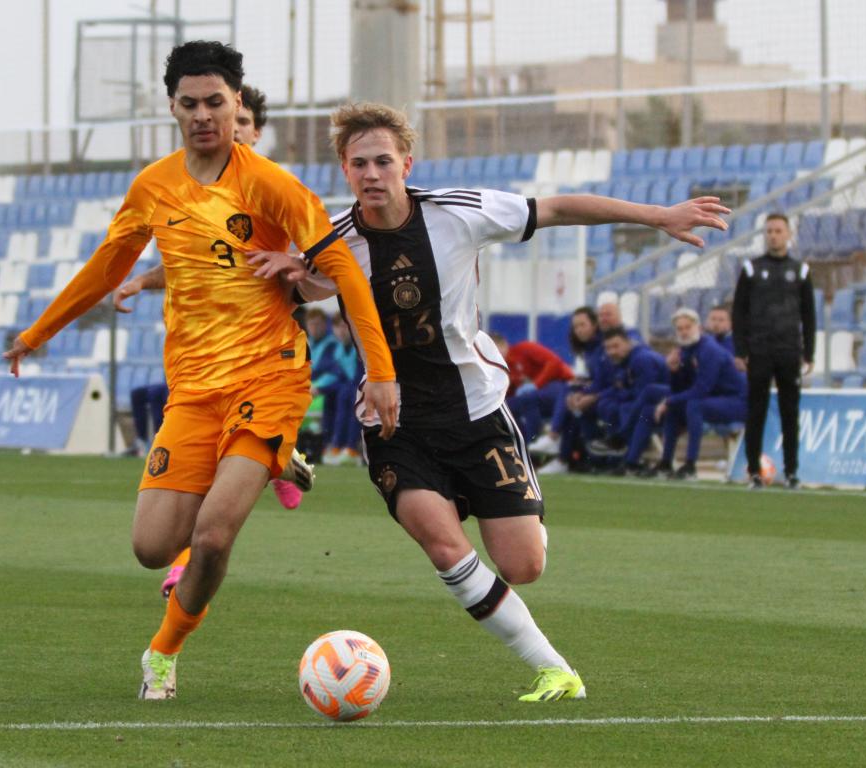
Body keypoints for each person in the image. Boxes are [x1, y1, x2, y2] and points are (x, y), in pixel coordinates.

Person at [261, 102, 727, 701]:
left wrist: (658, 214)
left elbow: (556, 208)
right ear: (345, 171)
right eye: (359, 164)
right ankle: (554, 667)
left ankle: (512, 505)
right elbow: (301, 282)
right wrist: (288, 273)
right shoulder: (333, 240)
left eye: (383, 161)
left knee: (523, 566)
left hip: (478, 411)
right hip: (395, 422)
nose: (372, 173)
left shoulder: (458, 212)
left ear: (407, 163)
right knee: (444, 544)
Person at [3, 42, 398, 701]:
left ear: (237, 104)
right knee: (153, 548)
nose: (203, 115)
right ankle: (276, 463)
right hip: (193, 391)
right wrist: (38, 332)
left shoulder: (271, 185)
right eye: (190, 104)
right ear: (172, 108)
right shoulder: (154, 186)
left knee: (213, 536)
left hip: (269, 377)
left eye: (216, 102)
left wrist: (379, 370)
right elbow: (108, 265)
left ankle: (163, 651)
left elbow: (345, 270)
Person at [114, 82, 315, 597]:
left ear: (253, 129)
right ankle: (279, 459)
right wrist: (141, 279)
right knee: (197, 474)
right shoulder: (190, 185)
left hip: (265, 348)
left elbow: (321, 258)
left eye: (241, 124)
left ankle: (191, 559)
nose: (230, 132)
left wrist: (300, 270)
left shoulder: (268, 188)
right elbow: (194, 256)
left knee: (219, 511)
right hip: (201, 357)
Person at [732, 213, 816, 490]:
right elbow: (739, 313)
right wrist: (740, 349)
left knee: (789, 413)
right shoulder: (751, 269)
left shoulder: (800, 270)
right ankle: (754, 471)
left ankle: (792, 471)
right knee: (756, 411)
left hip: (789, 351)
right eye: (769, 231)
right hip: (759, 351)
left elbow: (809, 314)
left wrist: (809, 353)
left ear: (789, 234)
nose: (773, 235)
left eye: (778, 230)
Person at [648, 308, 747, 480]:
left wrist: (668, 401)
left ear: (698, 328)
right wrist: (674, 371)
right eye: (680, 329)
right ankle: (665, 463)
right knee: (676, 407)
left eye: (688, 327)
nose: (684, 332)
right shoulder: (685, 350)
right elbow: (682, 388)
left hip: (737, 401)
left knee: (694, 405)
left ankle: (691, 465)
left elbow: (702, 389)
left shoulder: (709, 350)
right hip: (715, 399)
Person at [593, 328, 669, 473]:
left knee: (627, 408)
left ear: (628, 343)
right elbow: (624, 389)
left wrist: (621, 393)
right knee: (608, 405)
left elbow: (644, 394)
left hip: (668, 405)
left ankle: (620, 443)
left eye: (616, 346)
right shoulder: (624, 361)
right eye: (608, 348)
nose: (612, 352)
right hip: (651, 407)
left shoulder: (642, 359)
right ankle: (623, 459)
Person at [490, 333, 574, 452]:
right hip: (539, 398)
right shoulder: (504, 369)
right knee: (506, 408)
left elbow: (554, 362)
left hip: (561, 385)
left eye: (495, 349)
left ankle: (536, 442)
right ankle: (524, 446)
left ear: (504, 345)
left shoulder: (524, 348)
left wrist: (536, 385)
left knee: (527, 399)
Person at [540, 307, 599, 475]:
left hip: (604, 396)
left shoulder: (601, 347)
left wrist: (586, 392)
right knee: (570, 397)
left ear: (594, 325)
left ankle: (554, 438)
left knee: (568, 391)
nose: (579, 330)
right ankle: (563, 459)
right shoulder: (588, 349)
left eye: (583, 325)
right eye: (576, 326)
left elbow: (605, 380)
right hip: (595, 393)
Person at [315, 314, 363, 464]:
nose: (341, 331)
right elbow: (337, 375)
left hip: (363, 389)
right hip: (347, 389)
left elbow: (358, 377)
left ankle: (351, 448)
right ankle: (334, 444)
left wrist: (322, 388)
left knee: (348, 393)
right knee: (336, 395)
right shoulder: (338, 350)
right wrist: (321, 388)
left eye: (345, 326)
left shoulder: (360, 349)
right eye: (338, 327)